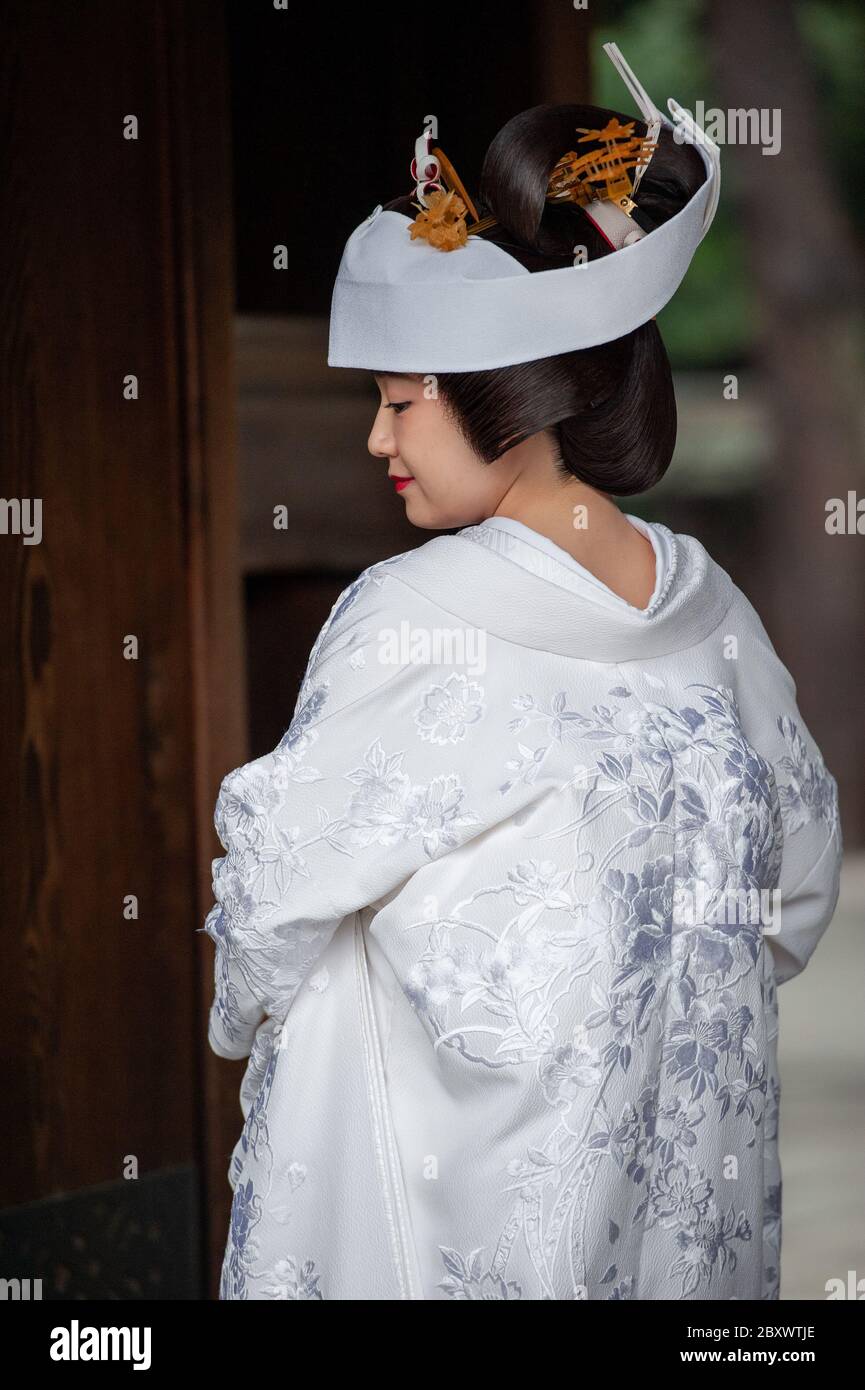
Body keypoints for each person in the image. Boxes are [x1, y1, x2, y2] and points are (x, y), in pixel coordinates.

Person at [201, 43, 842, 1300]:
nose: (376, 435)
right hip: (674, 1185)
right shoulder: (710, 608)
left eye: (398, 398)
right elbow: (796, 889)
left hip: (465, 1217)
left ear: (501, 388)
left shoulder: (408, 614)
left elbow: (273, 905)